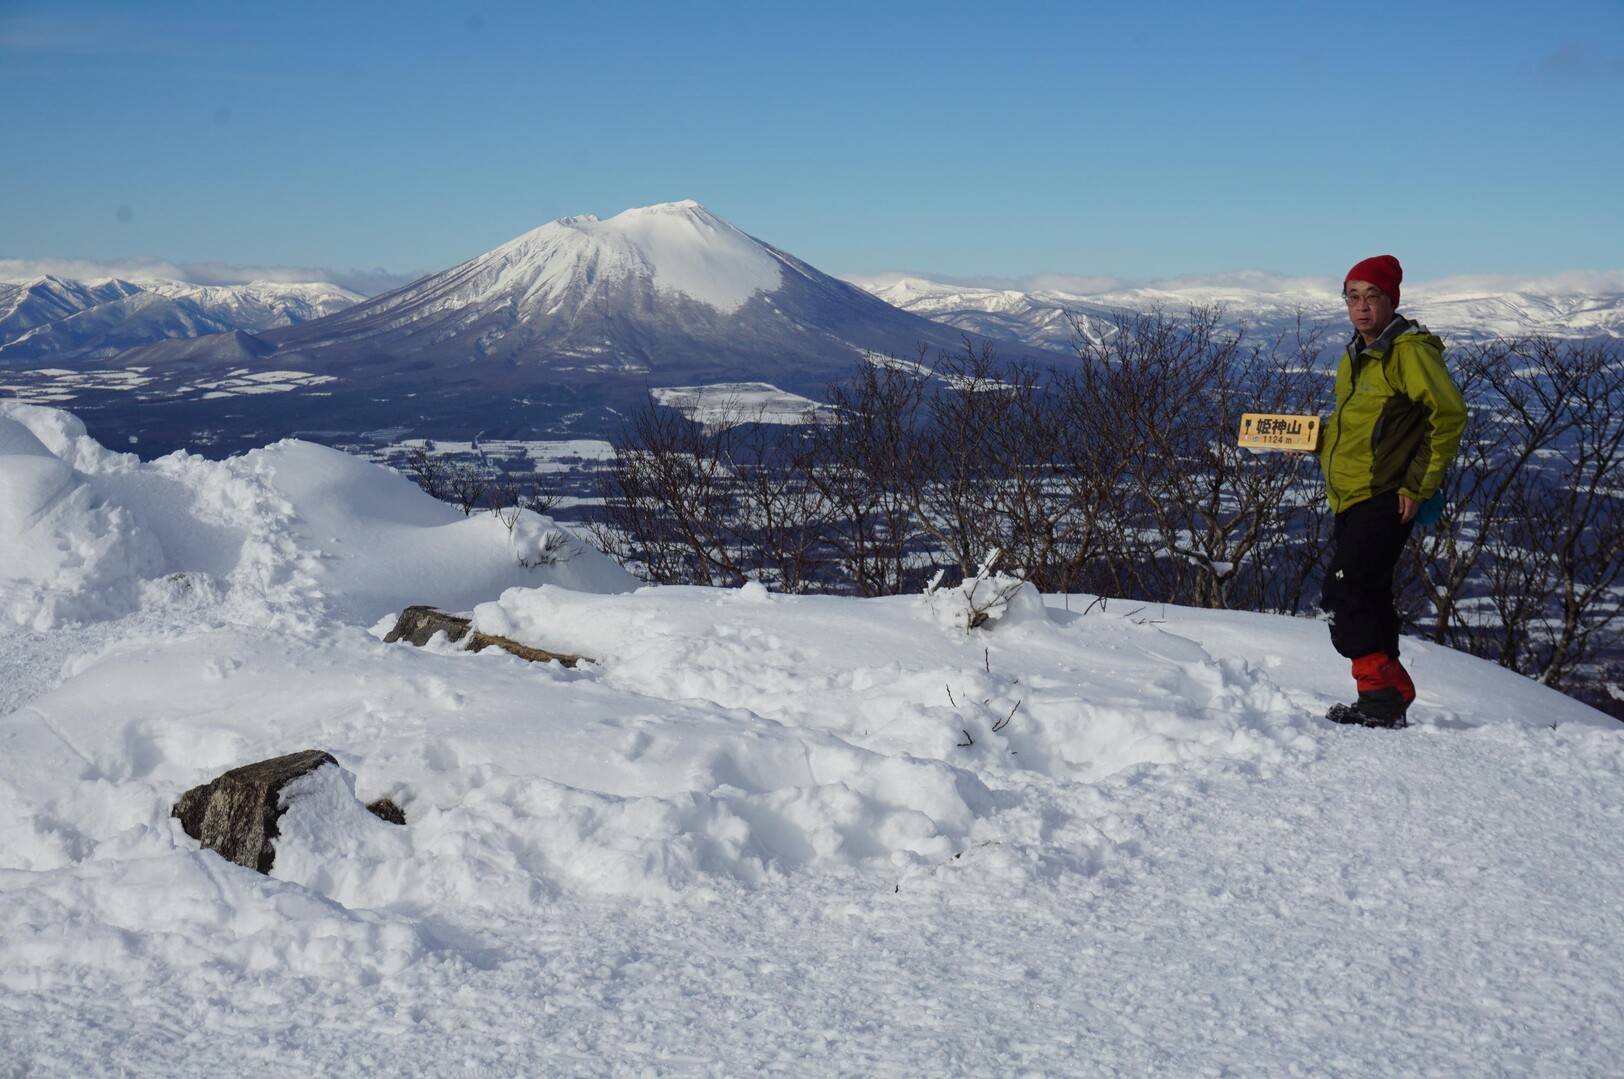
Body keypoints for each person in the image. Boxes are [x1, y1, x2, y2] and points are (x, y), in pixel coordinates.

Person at [1317, 255, 1466, 728]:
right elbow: (1359, 428)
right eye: (1353, 296)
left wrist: (1417, 484)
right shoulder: (1356, 354)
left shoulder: (1409, 351)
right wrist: (1311, 440)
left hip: (1386, 493)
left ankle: (1382, 694)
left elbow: (1449, 416)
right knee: (1371, 592)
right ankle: (1387, 697)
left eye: (1371, 297)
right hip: (1350, 494)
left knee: (1344, 590)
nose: (1361, 307)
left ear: (1390, 300)